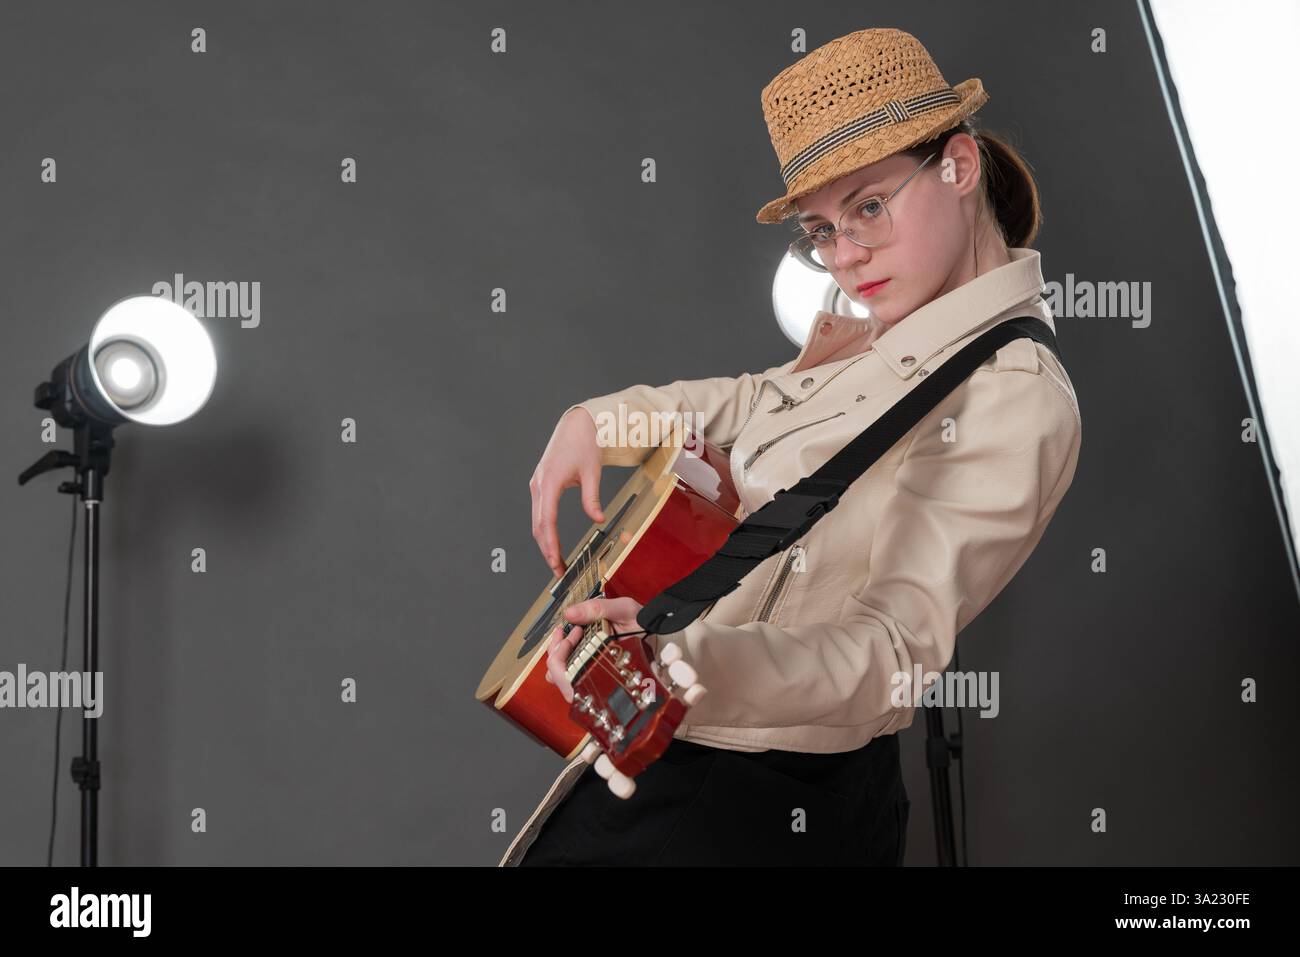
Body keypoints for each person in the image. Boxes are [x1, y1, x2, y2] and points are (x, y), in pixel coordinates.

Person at [500, 27, 1082, 866]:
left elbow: (888, 654)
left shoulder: (1011, 390)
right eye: (819, 230)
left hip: (764, 803)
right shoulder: (889, 333)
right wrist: (604, 418)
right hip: (678, 761)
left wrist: (673, 657)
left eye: (869, 208)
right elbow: (750, 405)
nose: (844, 258)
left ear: (957, 167)